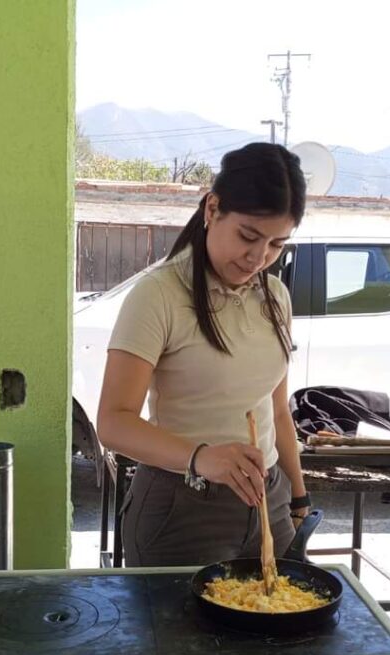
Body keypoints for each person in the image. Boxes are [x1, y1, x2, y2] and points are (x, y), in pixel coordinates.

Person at [96, 142, 311, 567]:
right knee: (185, 634)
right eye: (248, 236)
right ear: (212, 209)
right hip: (182, 508)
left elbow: (275, 407)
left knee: (280, 625)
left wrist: (298, 495)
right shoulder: (157, 295)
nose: (258, 257)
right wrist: (201, 458)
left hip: (269, 500)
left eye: (276, 245)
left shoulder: (276, 297)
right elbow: (113, 422)